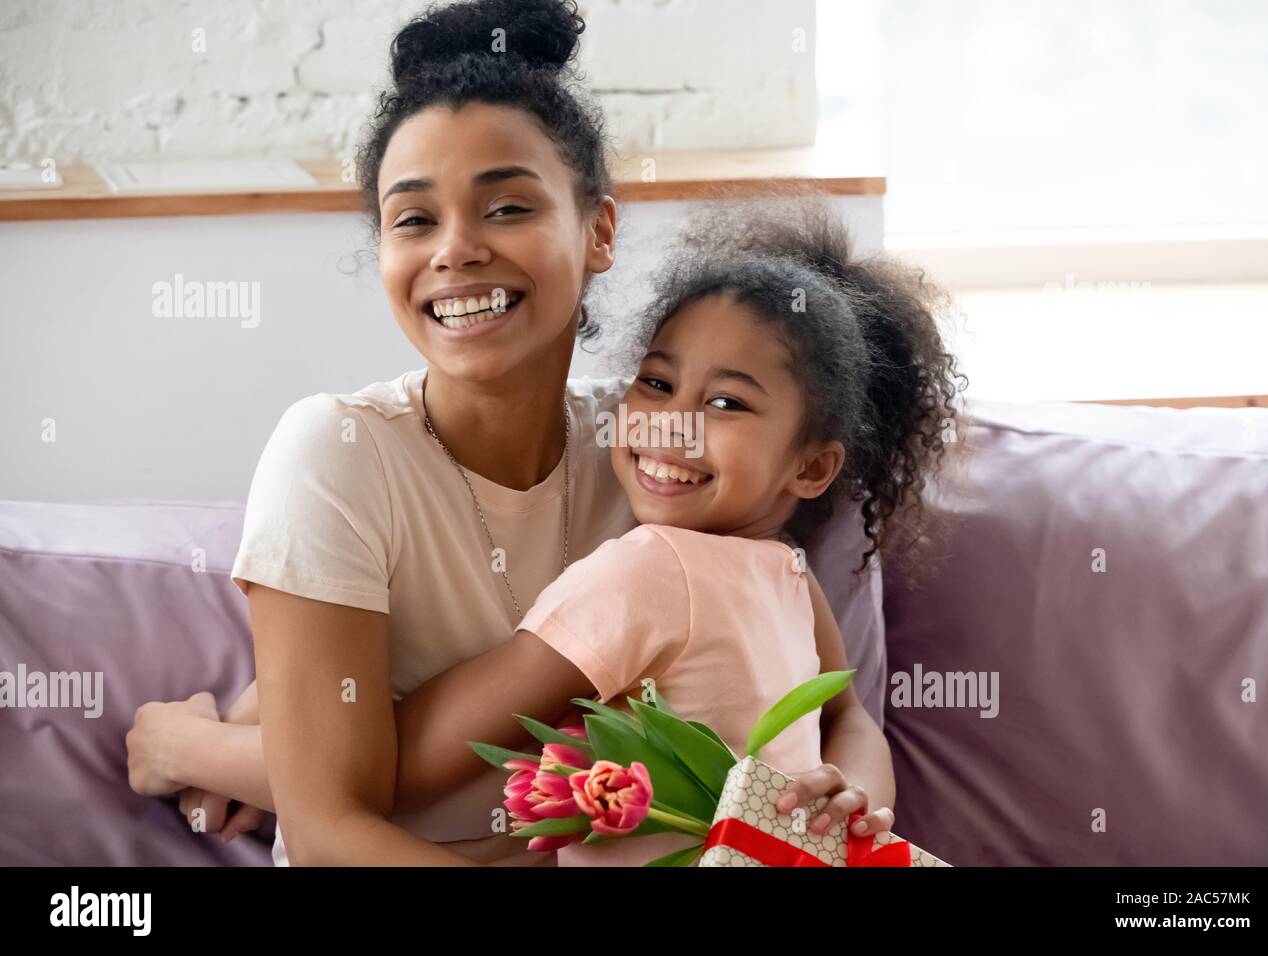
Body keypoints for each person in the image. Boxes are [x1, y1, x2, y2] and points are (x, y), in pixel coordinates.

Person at [125, 0, 920, 865]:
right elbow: (330, 829)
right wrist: (219, 745)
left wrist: (842, 819)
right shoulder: (334, 451)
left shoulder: (655, 441)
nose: (456, 249)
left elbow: (831, 704)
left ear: (598, 230)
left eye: (507, 207)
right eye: (414, 218)